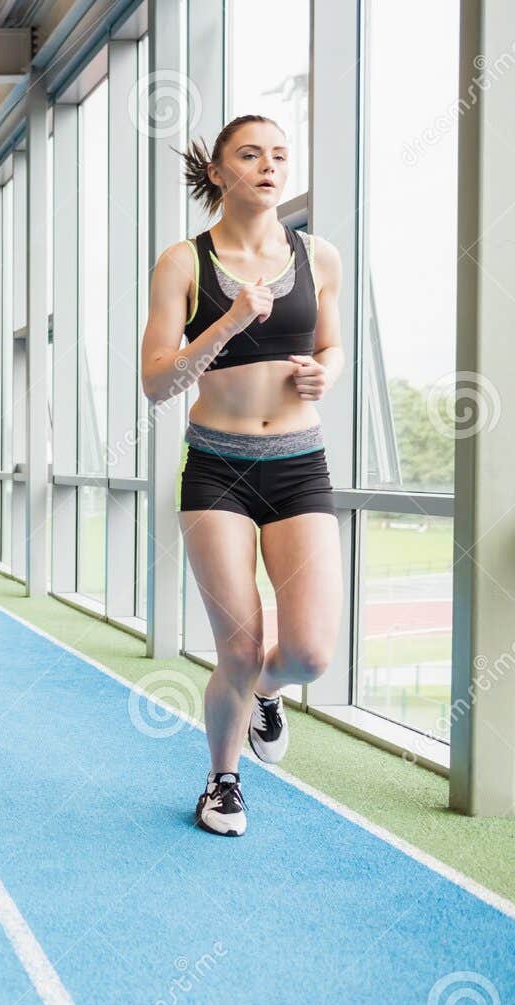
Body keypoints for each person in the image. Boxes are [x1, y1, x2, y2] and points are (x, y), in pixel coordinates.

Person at [139, 115, 343, 837]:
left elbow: (333, 342)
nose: (268, 165)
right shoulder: (183, 263)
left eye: (279, 155)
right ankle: (222, 782)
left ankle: (267, 694)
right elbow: (157, 383)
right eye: (250, 154)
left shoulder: (318, 257)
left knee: (312, 653)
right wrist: (225, 322)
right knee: (238, 647)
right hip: (217, 468)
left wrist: (328, 371)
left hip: (300, 465)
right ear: (219, 173)